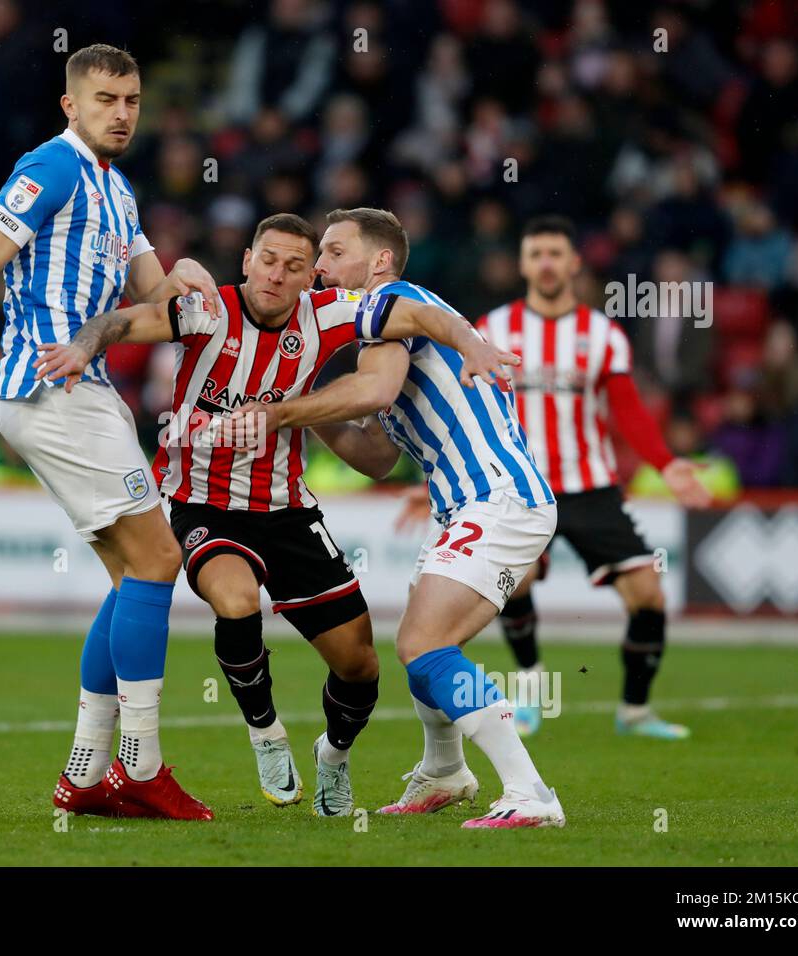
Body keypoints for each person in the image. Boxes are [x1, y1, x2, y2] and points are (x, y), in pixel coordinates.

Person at [34, 212, 520, 817]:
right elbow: (122, 321)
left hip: (288, 510)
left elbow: (419, 318)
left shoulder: (331, 313)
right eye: (268, 260)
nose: (277, 275)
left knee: (360, 663)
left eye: (295, 266)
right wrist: (82, 346)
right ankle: (266, 736)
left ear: (307, 277)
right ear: (246, 260)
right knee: (236, 601)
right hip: (199, 503)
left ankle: (334, 755)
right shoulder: (207, 308)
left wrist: (471, 342)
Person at [0, 44, 220, 821]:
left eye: (133, 100)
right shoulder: (53, 166)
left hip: (86, 390)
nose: (123, 113)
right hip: (50, 388)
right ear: (71, 104)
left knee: (132, 575)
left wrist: (199, 280)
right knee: (160, 557)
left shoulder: (119, 191)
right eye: (106, 99)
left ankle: (85, 772)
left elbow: (155, 300)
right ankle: (139, 767)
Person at [228, 208, 566, 828]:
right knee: (424, 643)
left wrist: (280, 411)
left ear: (378, 261)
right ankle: (444, 770)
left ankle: (530, 793)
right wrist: (304, 408)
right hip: (469, 504)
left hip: (499, 497)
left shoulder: (396, 302)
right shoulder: (383, 337)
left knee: (423, 645)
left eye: (332, 251)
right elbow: (379, 457)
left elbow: (375, 395)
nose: (320, 265)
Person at [468, 215, 712, 740]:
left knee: (649, 596)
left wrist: (666, 463)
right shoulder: (492, 330)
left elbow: (627, 410)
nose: (547, 264)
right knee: (518, 583)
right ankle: (531, 690)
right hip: (520, 486)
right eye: (537, 254)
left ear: (575, 263)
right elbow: (469, 410)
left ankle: (635, 712)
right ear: (523, 264)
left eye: (557, 253)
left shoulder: (602, 334)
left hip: (591, 487)